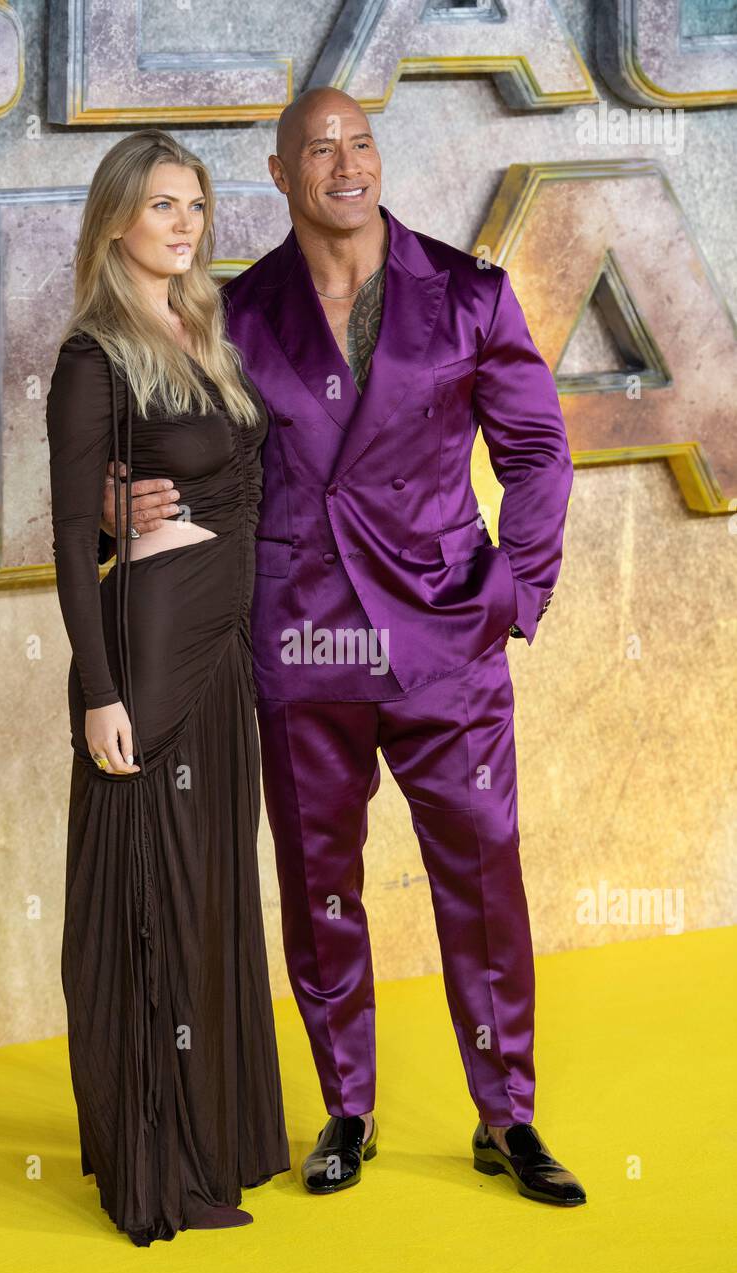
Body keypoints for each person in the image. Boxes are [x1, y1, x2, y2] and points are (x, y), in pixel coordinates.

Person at [100, 88, 586, 1208]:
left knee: (483, 875)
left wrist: (516, 591)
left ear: (379, 157)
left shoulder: (468, 294)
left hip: (447, 641)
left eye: (358, 141)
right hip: (299, 642)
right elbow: (184, 446)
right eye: (317, 148)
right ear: (279, 175)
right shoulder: (228, 313)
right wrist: (119, 502)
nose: (344, 162)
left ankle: (506, 1114)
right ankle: (349, 1107)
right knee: (320, 883)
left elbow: (536, 455)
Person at [46, 130, 290, 1247]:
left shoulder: (207, 332)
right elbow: (65, 535)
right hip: (146, 663)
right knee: (157, 902)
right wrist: (100, 693)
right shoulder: (95, 356)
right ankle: (157, 1168)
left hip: (225, 645)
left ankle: (216, 1135)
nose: (184, 223)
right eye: (159, 206)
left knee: (210, 897)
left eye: (193, 204)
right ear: (114, 225)